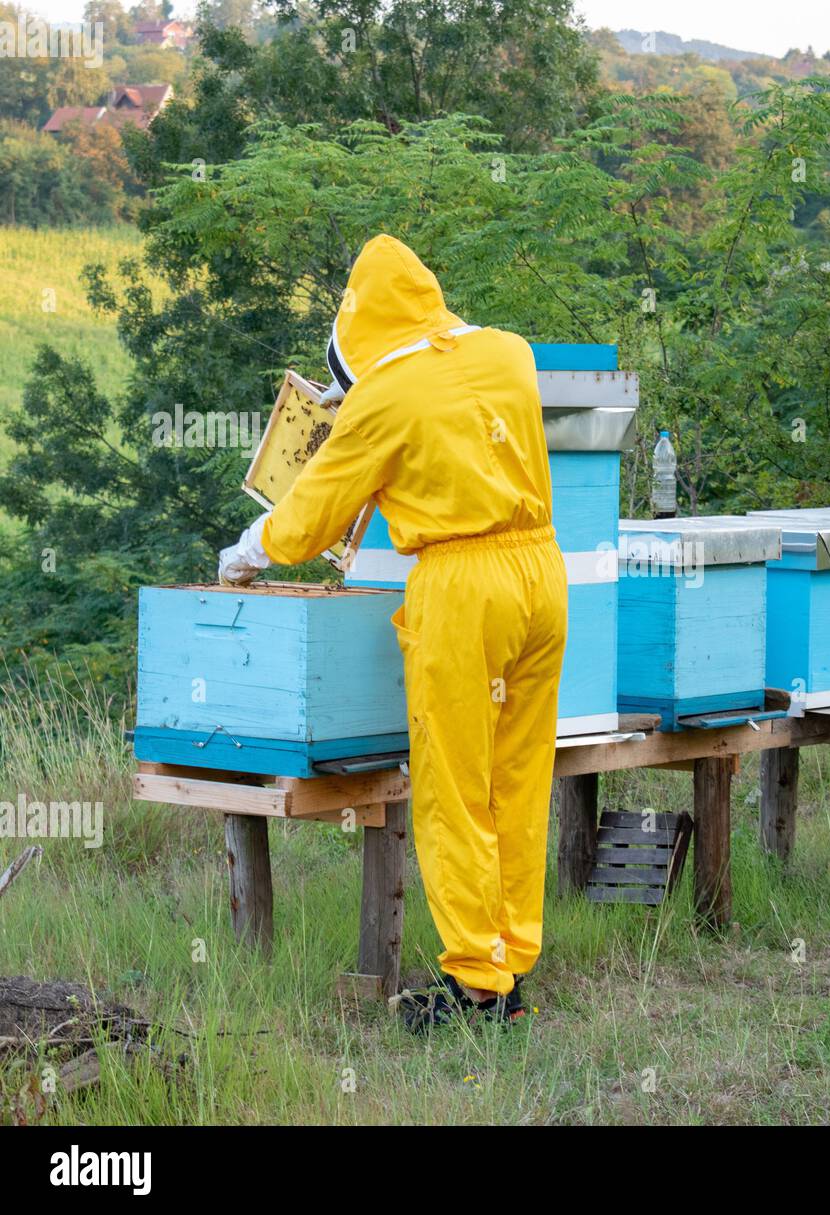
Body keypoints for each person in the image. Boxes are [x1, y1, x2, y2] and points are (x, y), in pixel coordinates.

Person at [219, 234, 567, 1029]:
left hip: (463, 588)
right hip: (543, 577)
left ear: (358, 327)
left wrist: (250, 550)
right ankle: (510, 967)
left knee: (452, 785)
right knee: (518, 777)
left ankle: (476, 986)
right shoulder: (510, 353)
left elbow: (310, 519)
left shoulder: (382, 398)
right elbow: (453, 399)